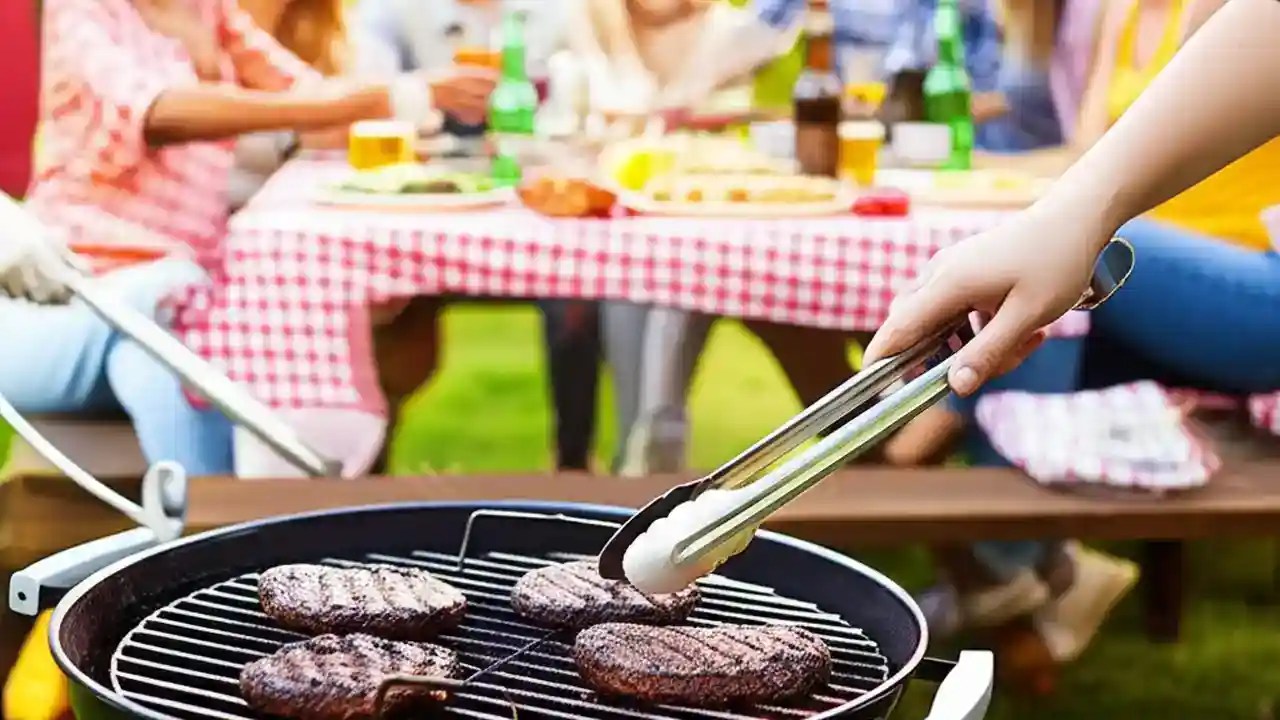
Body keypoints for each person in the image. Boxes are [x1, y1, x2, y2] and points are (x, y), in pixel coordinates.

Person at [865, 0, 1280, 665]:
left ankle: (987, 544)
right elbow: (1087, 156)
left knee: (1092, 258)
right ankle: (1027, 573)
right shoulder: (1127, 12)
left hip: (1257, 279)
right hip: (1157, 287)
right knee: (1044, 307)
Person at [1, 0, 493, 477]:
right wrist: (382, 98)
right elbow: (159, 111)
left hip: (164, 320)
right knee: (172, 296)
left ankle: (229, 523)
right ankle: (244, 521)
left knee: (169, 341)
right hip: (57, 311)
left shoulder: (208, 11)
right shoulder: (84, 9)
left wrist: (416, 121)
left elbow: (306, 96)